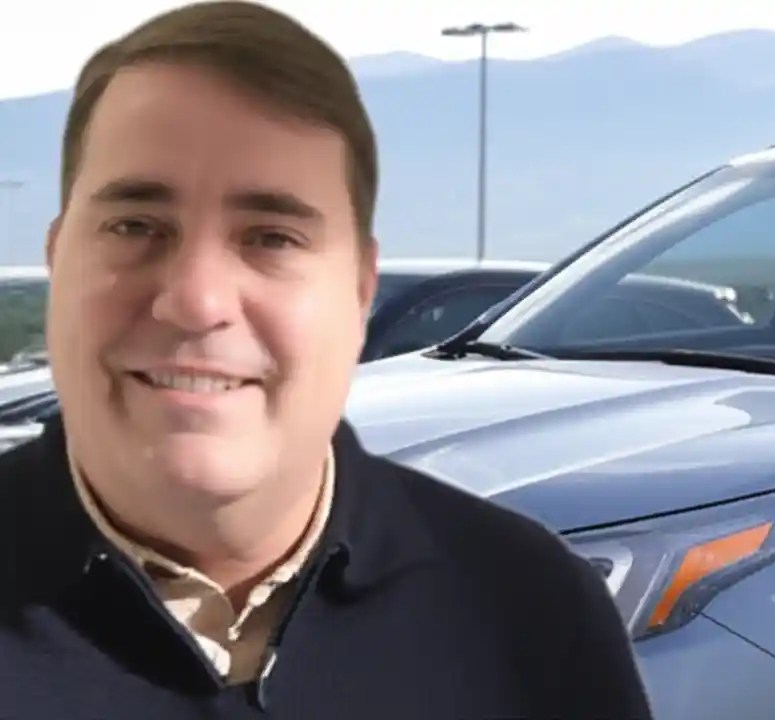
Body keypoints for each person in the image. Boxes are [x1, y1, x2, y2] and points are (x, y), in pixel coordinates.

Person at [0, 2, 654, 718]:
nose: (195, 298)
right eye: (134, 225)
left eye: (272, 237)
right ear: (58, 259)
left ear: (359, 291)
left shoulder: (528, 611)